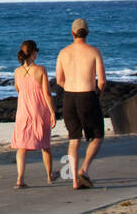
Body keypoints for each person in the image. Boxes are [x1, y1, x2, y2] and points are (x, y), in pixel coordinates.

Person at [55, 17, 107, 189]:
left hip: (70, 96)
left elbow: (59, 80)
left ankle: (75, 182)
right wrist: (98, 95)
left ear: (72, 33)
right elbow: (102, 81)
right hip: (88, 95)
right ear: (87, 32)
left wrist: (70, 87)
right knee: (98, 136)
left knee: (74, 139)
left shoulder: (63, 52)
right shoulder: (94, 51)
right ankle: (83, 170)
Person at [10, 39, 55, 188]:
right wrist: (53, 112)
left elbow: (18, 90)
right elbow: (47, 93)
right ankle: (49, 176)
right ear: (33, 53)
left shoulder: (17, 71)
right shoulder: (41, 70)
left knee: (22, 147)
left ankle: (20, 179)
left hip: (23, 111)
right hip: (39, 111)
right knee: (45, 145)